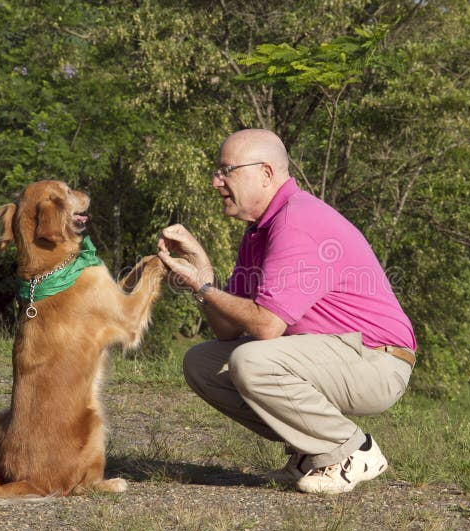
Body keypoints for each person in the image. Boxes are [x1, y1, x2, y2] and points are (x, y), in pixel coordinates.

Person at [157, 129, 416, 494]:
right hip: (334, 354)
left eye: (226, 170)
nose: (216, 182)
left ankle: (352, 450)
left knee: (251, 361)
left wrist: (202, 288)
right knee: (202, 363)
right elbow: (228, 330)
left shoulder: (297, 221)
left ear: (265, 173)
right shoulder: (260, 230)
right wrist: (203, 271)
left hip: (377, 361)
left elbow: (265, 326)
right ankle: (311, 453)